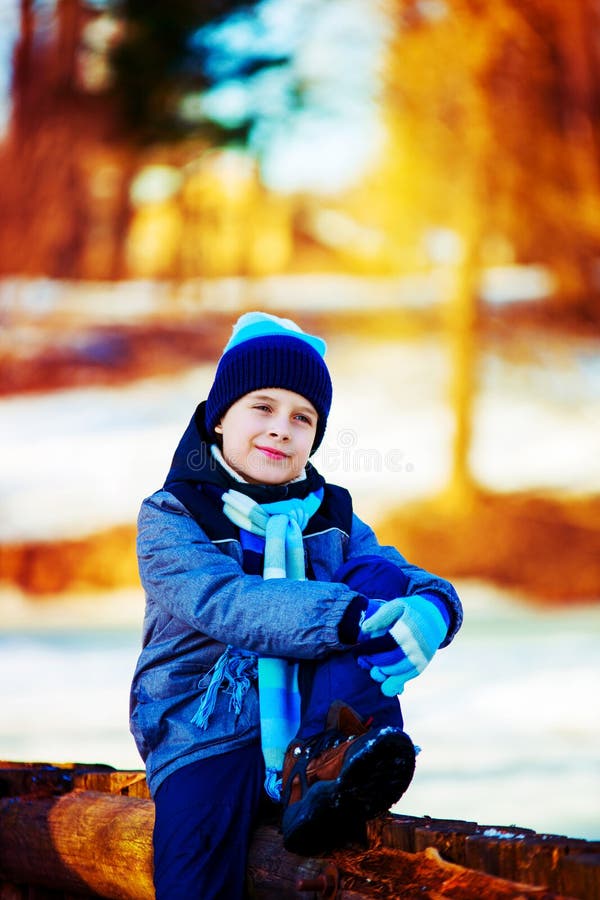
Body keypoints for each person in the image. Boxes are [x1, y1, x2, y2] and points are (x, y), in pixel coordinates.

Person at [130, 312, 462, 900]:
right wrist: (346, 615)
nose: (281, 428)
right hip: (205, 728)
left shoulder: (329, 516)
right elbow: (227, 604)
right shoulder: (172, 515)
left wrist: (434, 608)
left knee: (378, 575)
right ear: (220, 416)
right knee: (195, 869)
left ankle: (338, 757)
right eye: (262, 406)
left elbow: (403, 574)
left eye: (302, 416)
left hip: (313, 726)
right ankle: (304, 777)